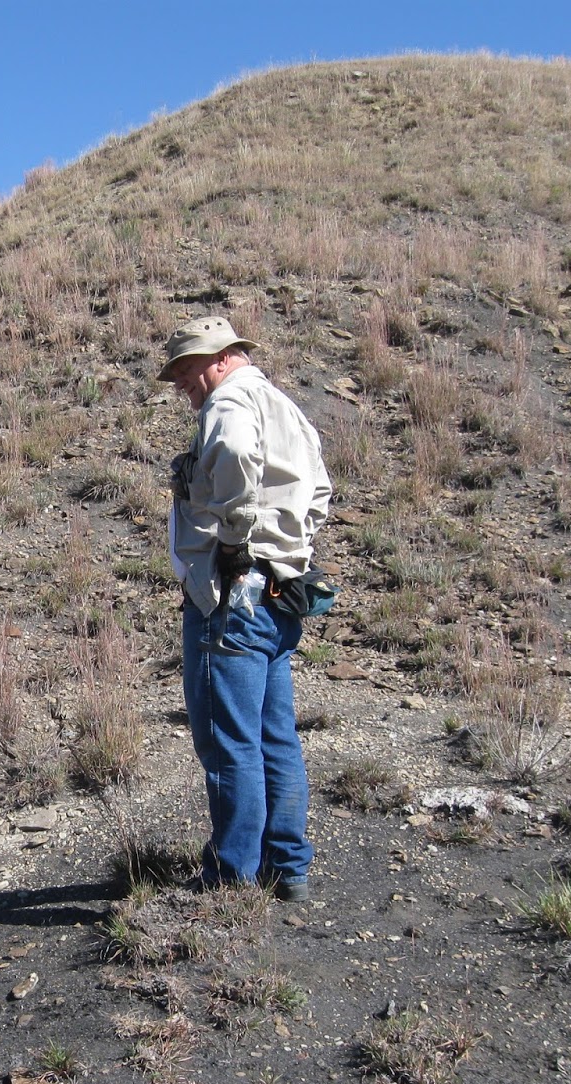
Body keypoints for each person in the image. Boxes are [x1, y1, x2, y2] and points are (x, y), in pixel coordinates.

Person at [161, 316, 331, 901]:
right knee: (273, 736)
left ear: (219, 359)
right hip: (280, 591)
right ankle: (287, 868)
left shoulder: (229, 403)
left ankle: (231, 877)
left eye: (186, 374)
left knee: (228, 740)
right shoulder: (285, 407)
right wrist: (291, 548)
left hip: (232, 594)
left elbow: (233, 451)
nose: (185, 389)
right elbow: (321, 491)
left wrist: (236, 541)